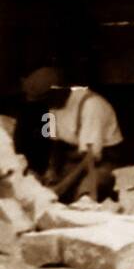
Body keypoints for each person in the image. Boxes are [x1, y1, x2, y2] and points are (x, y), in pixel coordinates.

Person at [21, 66, 126, 201]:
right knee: (42, 186)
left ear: (57, 92)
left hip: (102, 162)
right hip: (74, 160)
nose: (44, 105)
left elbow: (90, 157)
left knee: (85, 191)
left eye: (45, 100)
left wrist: (62, 187)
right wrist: (51, 171)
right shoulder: (52, 107)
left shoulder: (91, 105)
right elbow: (54, 142)